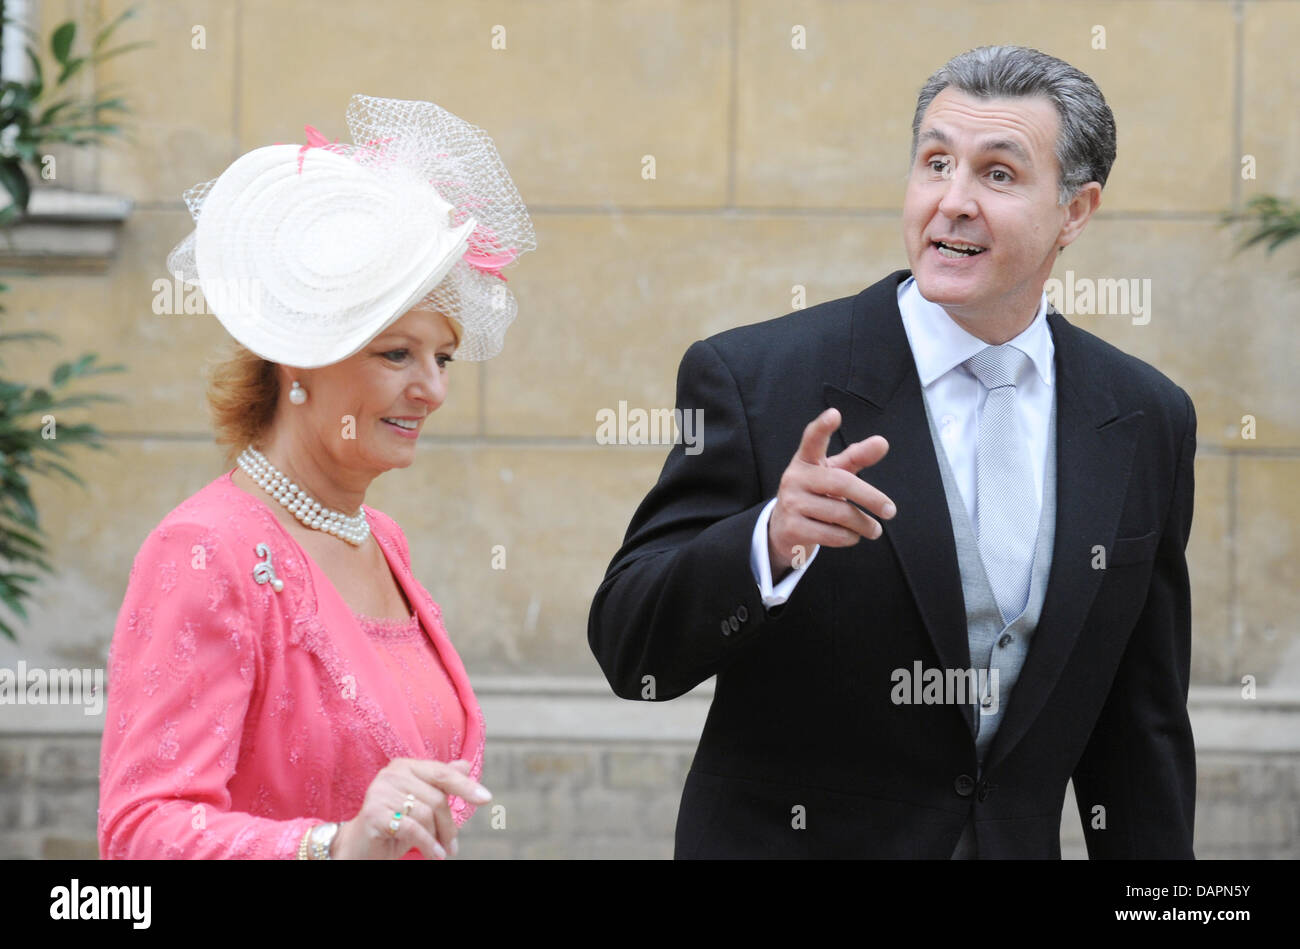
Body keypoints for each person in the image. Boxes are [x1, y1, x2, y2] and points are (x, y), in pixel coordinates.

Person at [588, 45, 1197, 858]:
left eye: (999, 175)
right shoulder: (758, 378)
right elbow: (633, 652)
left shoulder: (1144, 416)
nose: (953, 202)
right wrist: (766, 539)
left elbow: (1141, 733)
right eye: (935, 163)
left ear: (1076, 211)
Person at [98, 94, 535, 859]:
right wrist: (332, 845)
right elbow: (140, 833)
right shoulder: (206, 549)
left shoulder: (381, 539)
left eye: (443, 357)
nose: (431, 389)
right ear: (301, 355)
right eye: (396, 353)